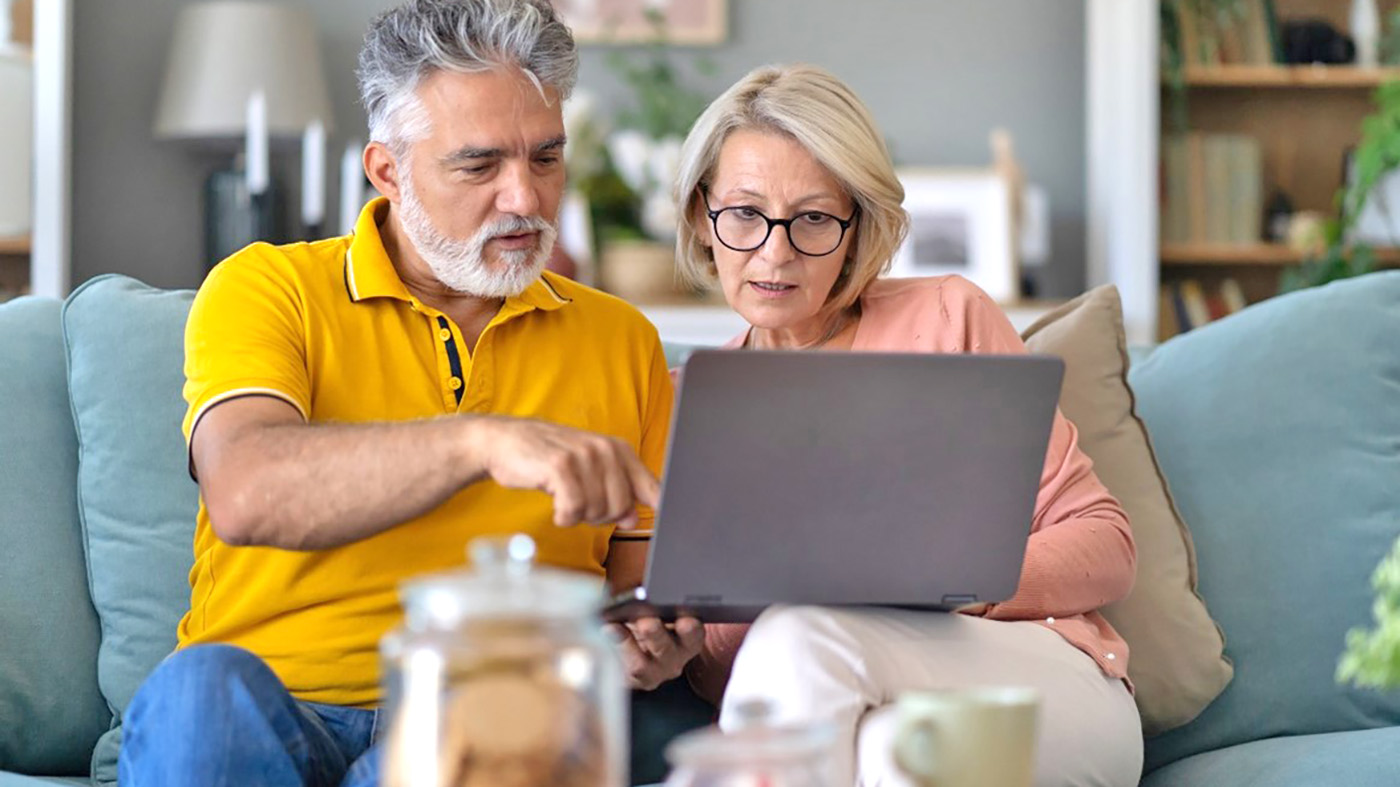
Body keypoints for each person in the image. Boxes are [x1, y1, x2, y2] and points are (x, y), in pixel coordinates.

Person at [118, 2, 705, 784]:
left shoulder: (620, 337)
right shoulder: (267, 288)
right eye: (479, 165)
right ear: (388, 171)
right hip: (267, 705)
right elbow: (247, 490)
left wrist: (643, 642)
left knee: (505, 720)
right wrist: (481, 440)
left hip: (480, 715)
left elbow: (636, 576)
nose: (525, 199)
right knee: (199, 693)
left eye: (546, 158)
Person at [671, 64, 1144, 786]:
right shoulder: (686, 404)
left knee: (804, 638)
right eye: (743, 213)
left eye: (813, 218)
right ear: (702, 219)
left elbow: (1108, 546)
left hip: (1043, 683)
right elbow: (723, 676)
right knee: (891, 754)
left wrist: (953, 580)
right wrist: (676, 643)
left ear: (858, 226)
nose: (774, 250)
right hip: (850, 708)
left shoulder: (948, 316)